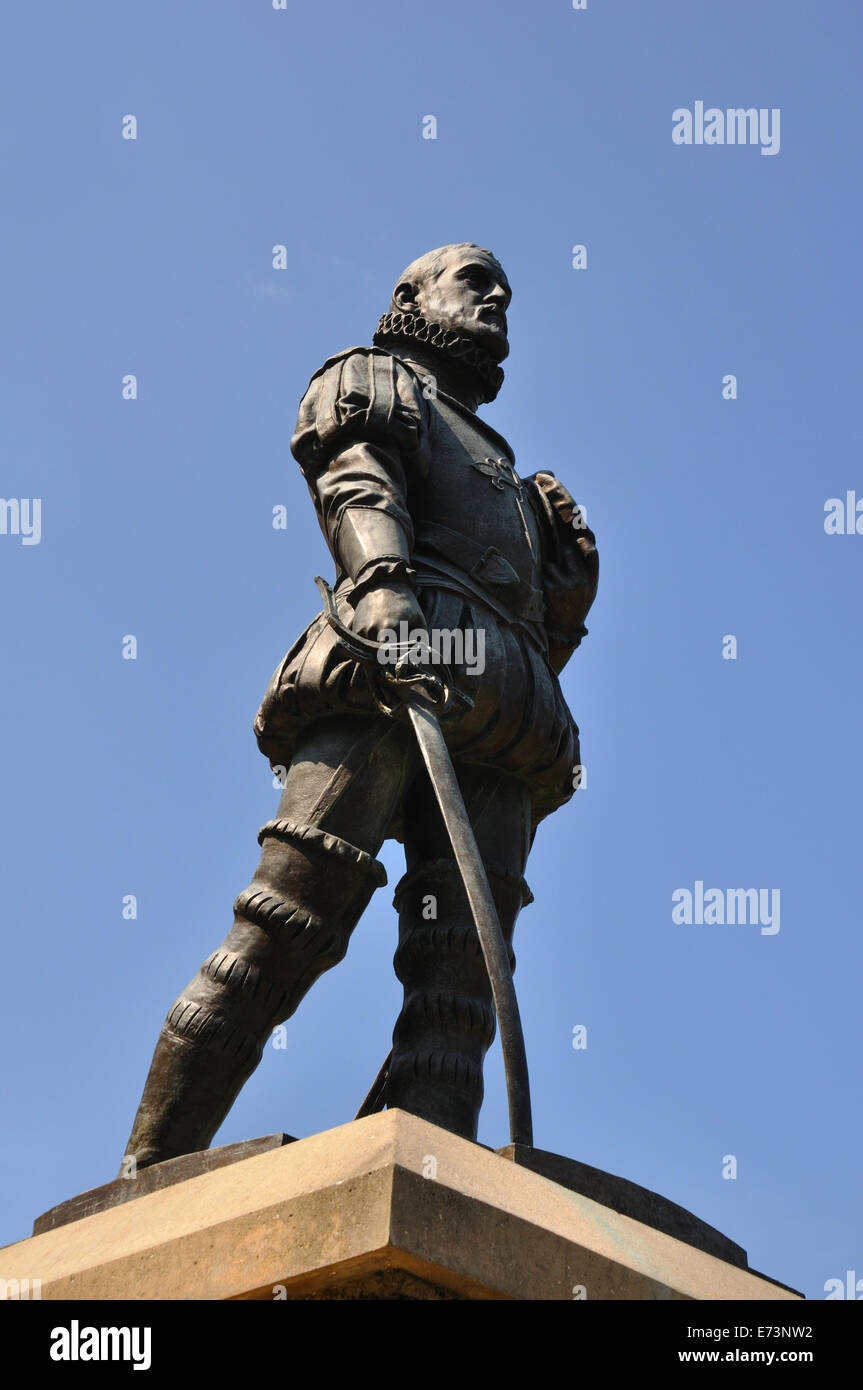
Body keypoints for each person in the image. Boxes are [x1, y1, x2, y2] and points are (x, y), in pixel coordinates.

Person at [122, 243, 598, 1168]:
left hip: (500, 713)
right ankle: (143, 1176)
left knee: (461, 982)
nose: (498, 295)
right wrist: (383, 593)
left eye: (506, 287)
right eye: (474, 279)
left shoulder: (517, 476)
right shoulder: (372, 379)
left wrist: (565, 598)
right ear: (409, 297)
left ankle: (425, 1183)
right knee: (285, 925)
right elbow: (356, 482)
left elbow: (538, 629)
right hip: (391, 674)